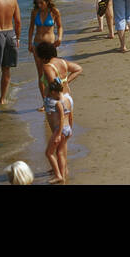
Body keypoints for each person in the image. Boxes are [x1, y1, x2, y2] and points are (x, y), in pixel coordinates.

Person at [37, 41, 81, 183]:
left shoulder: (47, 67)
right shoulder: (61, 62)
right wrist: (66, 81)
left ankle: (61, 173)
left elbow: (54, 86)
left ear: (43, 57)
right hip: (68, 98)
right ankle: (62, 168)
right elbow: (78, 69)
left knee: (58, 138)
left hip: (57, 101)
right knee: (63, 141)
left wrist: (51, 93)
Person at [27, 0, 64, 104]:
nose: (39, 5)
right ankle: (45, 101)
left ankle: (56, 97)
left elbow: (60, 26)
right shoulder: (35, 12)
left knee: (52, 72)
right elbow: (31, 28)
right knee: (41, 74)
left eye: (41, 3)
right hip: (37, 45)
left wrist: (60, 37)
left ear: (47, 2)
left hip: (50, 46)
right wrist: (29, 43)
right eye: (37, 3)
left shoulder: (54, 12)